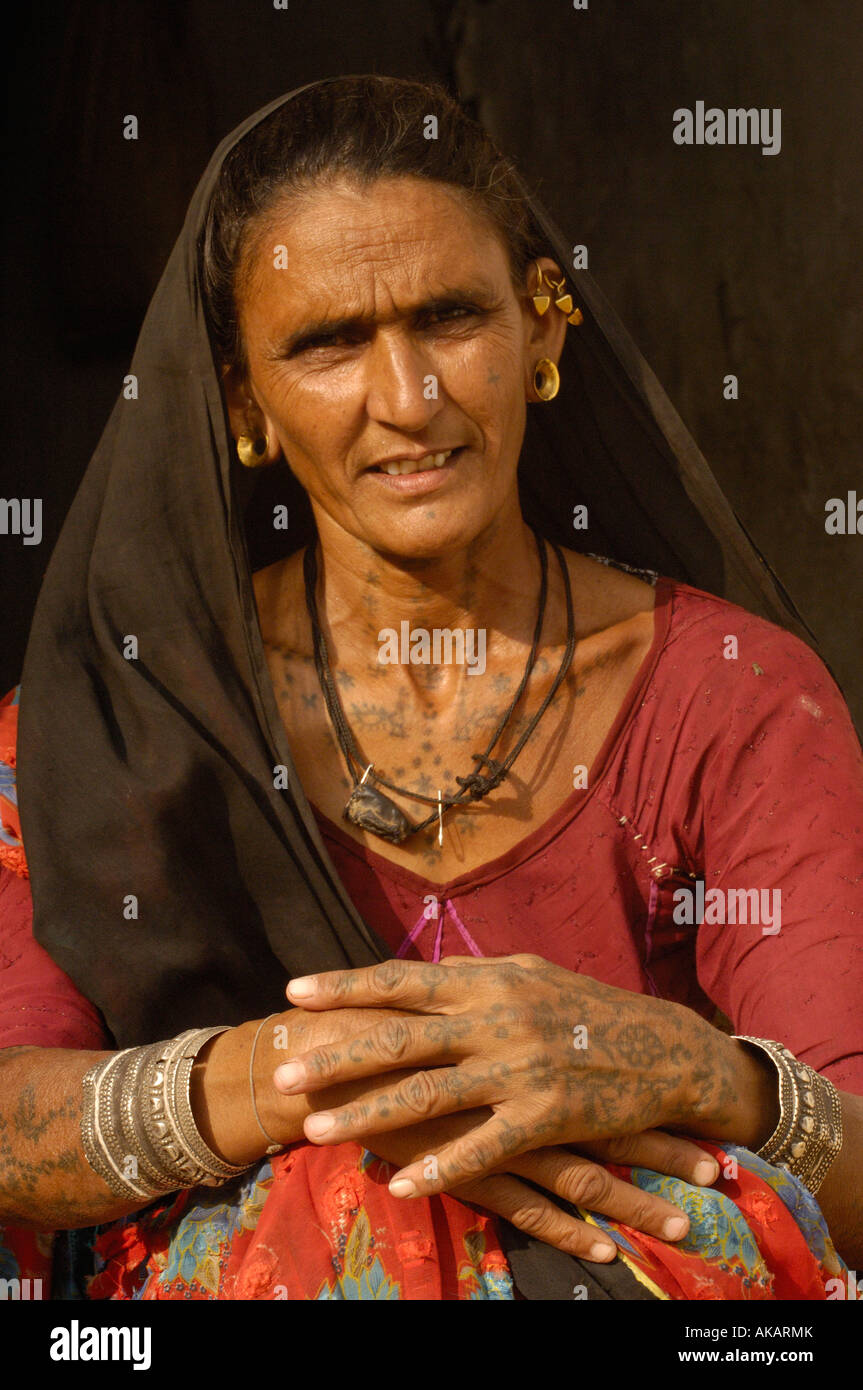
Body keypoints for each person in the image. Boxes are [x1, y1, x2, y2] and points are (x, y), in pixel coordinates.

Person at [0, 74, 860, 1302]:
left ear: (542, 328)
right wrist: (305, 1074)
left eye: (451, 317)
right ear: (240, 400)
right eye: (329, 342)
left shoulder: (734, 699)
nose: (408, 401)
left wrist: (696, 1070)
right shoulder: (121, 723)